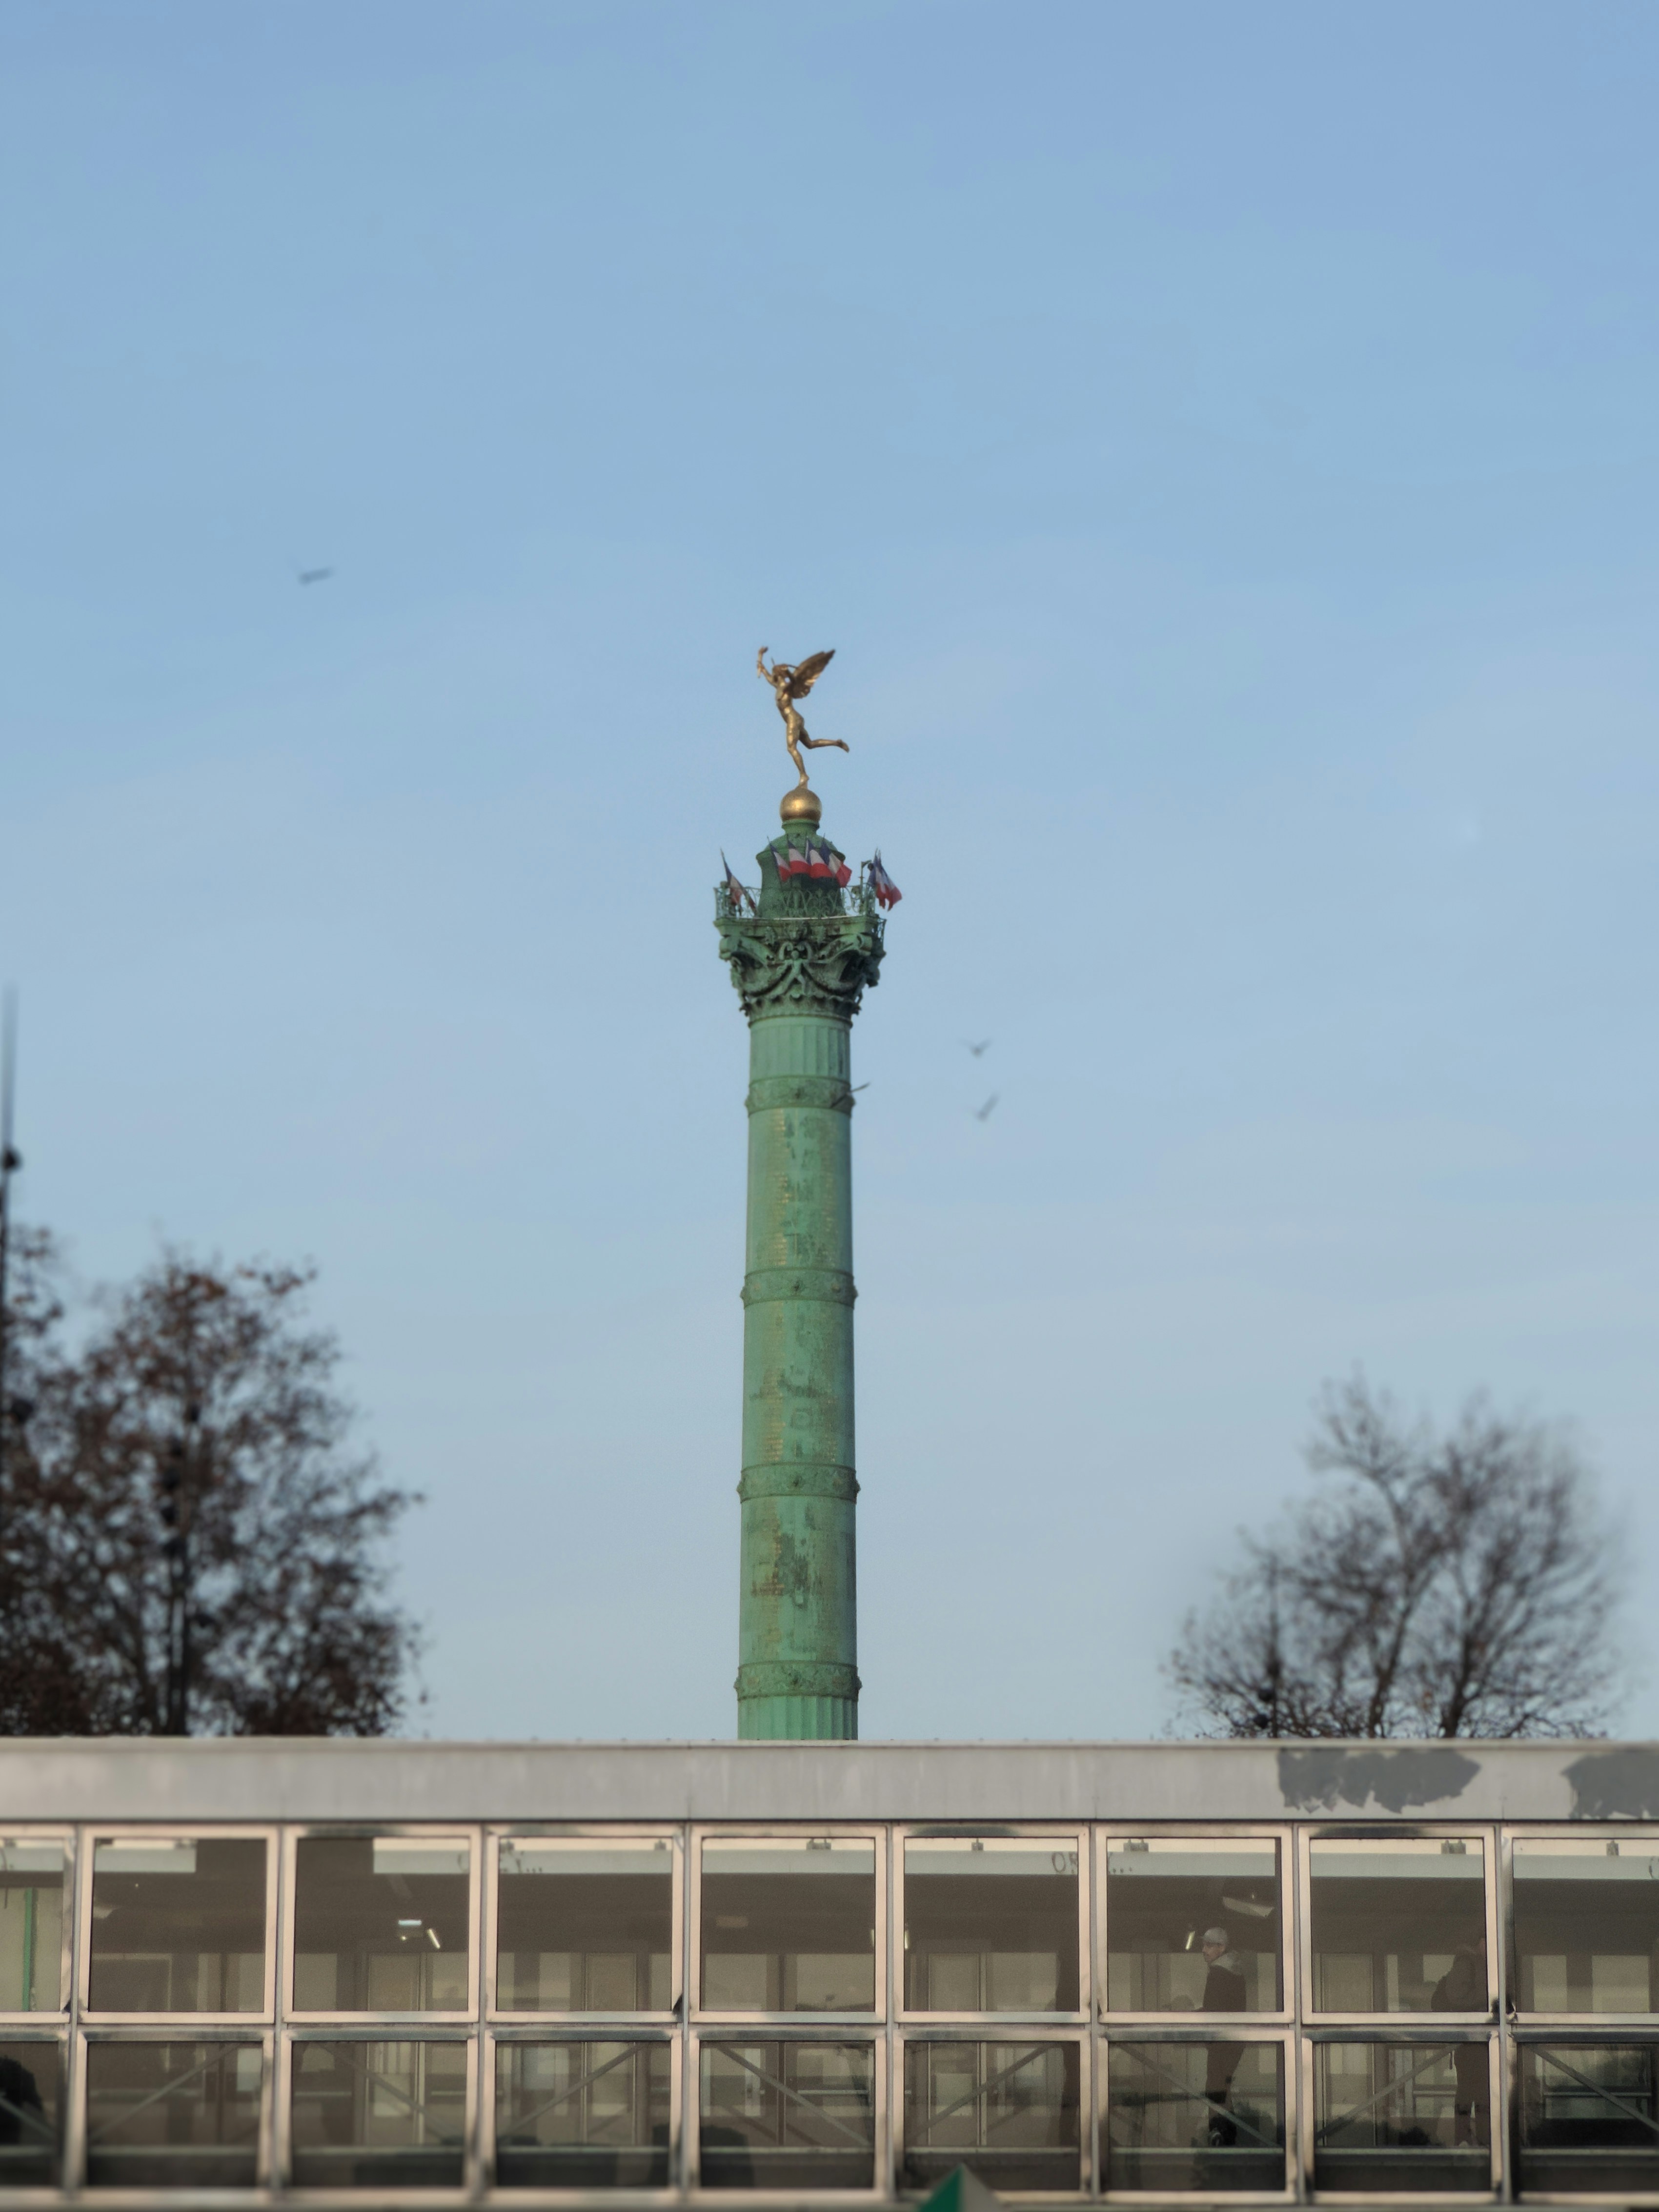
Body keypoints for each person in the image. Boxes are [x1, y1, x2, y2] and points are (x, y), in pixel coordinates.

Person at [1432, 1932, 1490, 2147]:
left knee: (1476, 2093)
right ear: (1480, 1943)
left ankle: (1474, 2140)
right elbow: (1458, 1999)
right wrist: (1490, 1999)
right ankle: (1471, 2140)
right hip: (1471, 2045)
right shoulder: (1468, 1964)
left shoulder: (1474, 1964)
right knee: (1475, 2093)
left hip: (1476, 2043)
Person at [1198, 1928, 1247, 2148]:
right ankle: (1228, 2134)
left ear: (1222, 1948)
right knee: (1222, 2087)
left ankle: (1219, 2133)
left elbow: (1213, 2010)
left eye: (1209, 1946)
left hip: (1221, 2041)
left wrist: (1190, 2014)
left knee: (1216, 2087)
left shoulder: (1219, 1973)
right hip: (1234, 2041)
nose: (1204, 1951)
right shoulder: (1235, 1972)